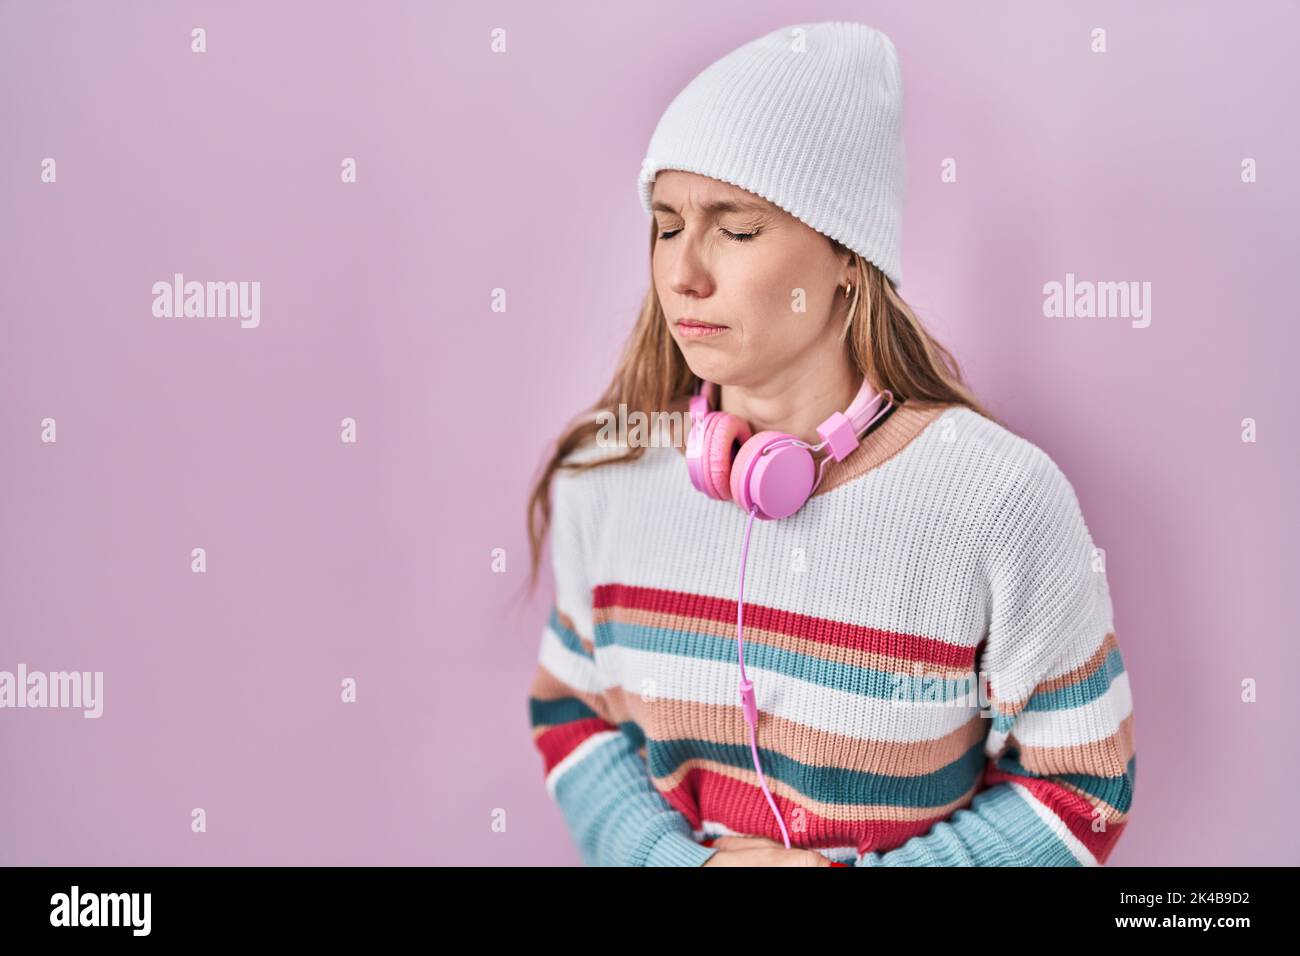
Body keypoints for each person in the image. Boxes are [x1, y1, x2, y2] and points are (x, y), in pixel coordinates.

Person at [523, 20, 1136, 867]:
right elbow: (571, 711)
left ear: (848, 255)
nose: (682, 273)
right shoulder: (606, 475)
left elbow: (1083, 789)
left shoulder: (999, 500)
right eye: (667, 226)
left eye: (735, 231)